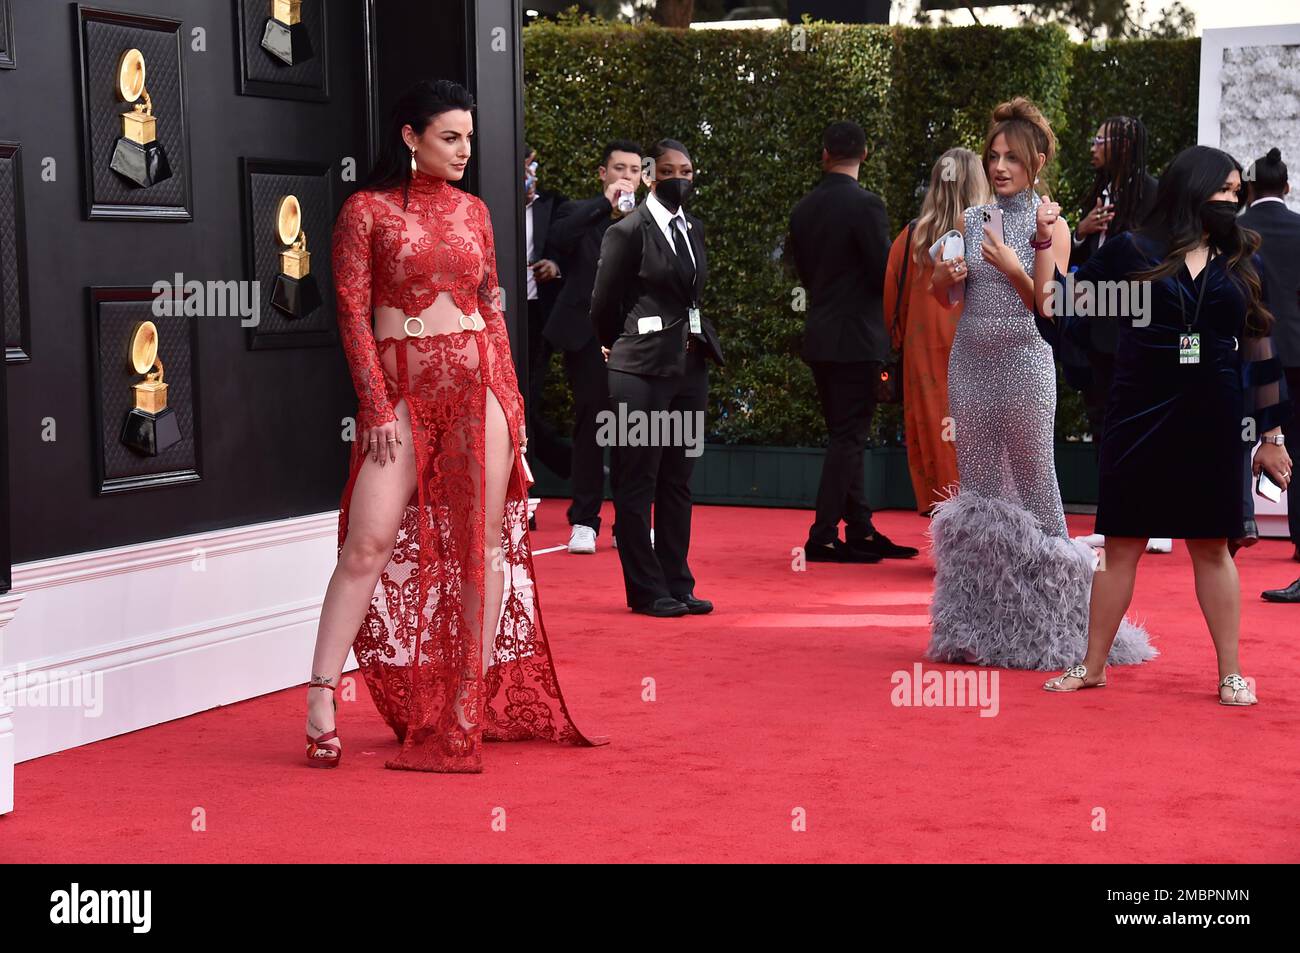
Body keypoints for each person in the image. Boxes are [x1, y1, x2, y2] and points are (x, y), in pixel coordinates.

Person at [306, 79, 603, 770]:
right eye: (450, 137)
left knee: (483, 550)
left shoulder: (475, 212)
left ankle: (463, 705)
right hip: (403, 390)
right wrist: (375, 403)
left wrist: (514, 398)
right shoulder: (365, 212)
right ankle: (322, 692)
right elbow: (351, 314)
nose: (465, 149)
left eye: (469, 137)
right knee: (367, 541)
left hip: (481, 389)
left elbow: (491, 306)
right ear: (411, 136)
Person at [1034, 145, 1292, 704]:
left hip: (1215, 416)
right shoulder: (1134, 250)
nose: (1232, 199)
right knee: (1121, 543)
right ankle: (1093, 665)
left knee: (1211, 545)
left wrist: (1270, 436)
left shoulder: (1240, 257)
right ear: (1190, 189)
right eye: (1223, 190)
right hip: (1140, 410)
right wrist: (1043, 242)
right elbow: (1065, 303)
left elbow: (1259, 345)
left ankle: (1230, 672)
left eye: (1235, 190)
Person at [926, 97, 1154, 670]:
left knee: (1038, 490)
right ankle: (976, 627)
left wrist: (1009, 262)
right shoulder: (970, 220)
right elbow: (946, 295)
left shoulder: (1049, 222)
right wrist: (942, 277)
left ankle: (1062, 628)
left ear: (1039, 161)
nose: (1000, 167)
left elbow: (1050, 307)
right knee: (978, 495)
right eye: (994, 156)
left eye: (1013, 158)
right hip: (970, 366)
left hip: (1027, 366)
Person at [589, 138, 724, 617]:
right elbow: (604, 304)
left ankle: (677, 582)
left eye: (686, 170)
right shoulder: (628, 231)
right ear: (649, 176)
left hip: (688, 368)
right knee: (637, 480)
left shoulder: (694, 229)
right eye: (667, 172)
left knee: (677, 479)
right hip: (638, 371)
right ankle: (646, 589)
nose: (678, 179)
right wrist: (617, 342)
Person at [787, 121, 919, 563]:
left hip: (822, 335)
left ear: (825, 153)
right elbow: (882, 272)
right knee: (849, 435)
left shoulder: (803, 209)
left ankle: (859, 528)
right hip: (859, 338)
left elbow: (805, 272)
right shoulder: (867, 206)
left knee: (846, 434)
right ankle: (823, 535)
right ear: (865, 154)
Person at [1069, 116, 1172, 555]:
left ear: (1126, 146)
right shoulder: (1096, 192)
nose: (1093, 146)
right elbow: (1076, 259)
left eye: (1101, 139)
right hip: (1097, 328)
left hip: (1139, 326)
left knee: (1145, 423)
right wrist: (1081, 230)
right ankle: (1111, 517)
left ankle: (1159, 521)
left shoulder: (1151, 193)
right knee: (1102, 423)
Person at [544, 140, 643, 554]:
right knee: (591, 423)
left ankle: (629, 524)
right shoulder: (577, 212)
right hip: (586, 337)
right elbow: (558, 239)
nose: (626, 176)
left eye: (634, 170)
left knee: (632, 431)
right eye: (618, 168)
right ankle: (584, 520)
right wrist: (604, 206)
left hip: (636, 341)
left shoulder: (650, 221)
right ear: (603, 173)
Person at [884, 148, 990, 515]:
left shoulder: (912, 237)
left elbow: (890, 304)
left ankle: (945, 526)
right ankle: (982, 530)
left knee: (933, 437)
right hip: (980, 349)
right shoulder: (990, 233)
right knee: (980, 440)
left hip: (923, 357)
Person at [1240, 148, 1300, 585]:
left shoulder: (1237, 230)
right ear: (1287, 188)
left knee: (1242, 435)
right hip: (1297, 353)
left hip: (1247, 353)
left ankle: (1242, 521)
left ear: (1249, 188)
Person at [521, 143, 570, 487]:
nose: (531, 175)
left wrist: (555, 265)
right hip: (498, 312)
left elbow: (575, 250)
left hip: (540, 314)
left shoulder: (555, 205)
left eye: (534, 167)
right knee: (512, 403)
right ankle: (565, 463)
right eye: (526, 167)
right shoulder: (488, 201)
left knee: (526, 397)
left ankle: (527, 489)